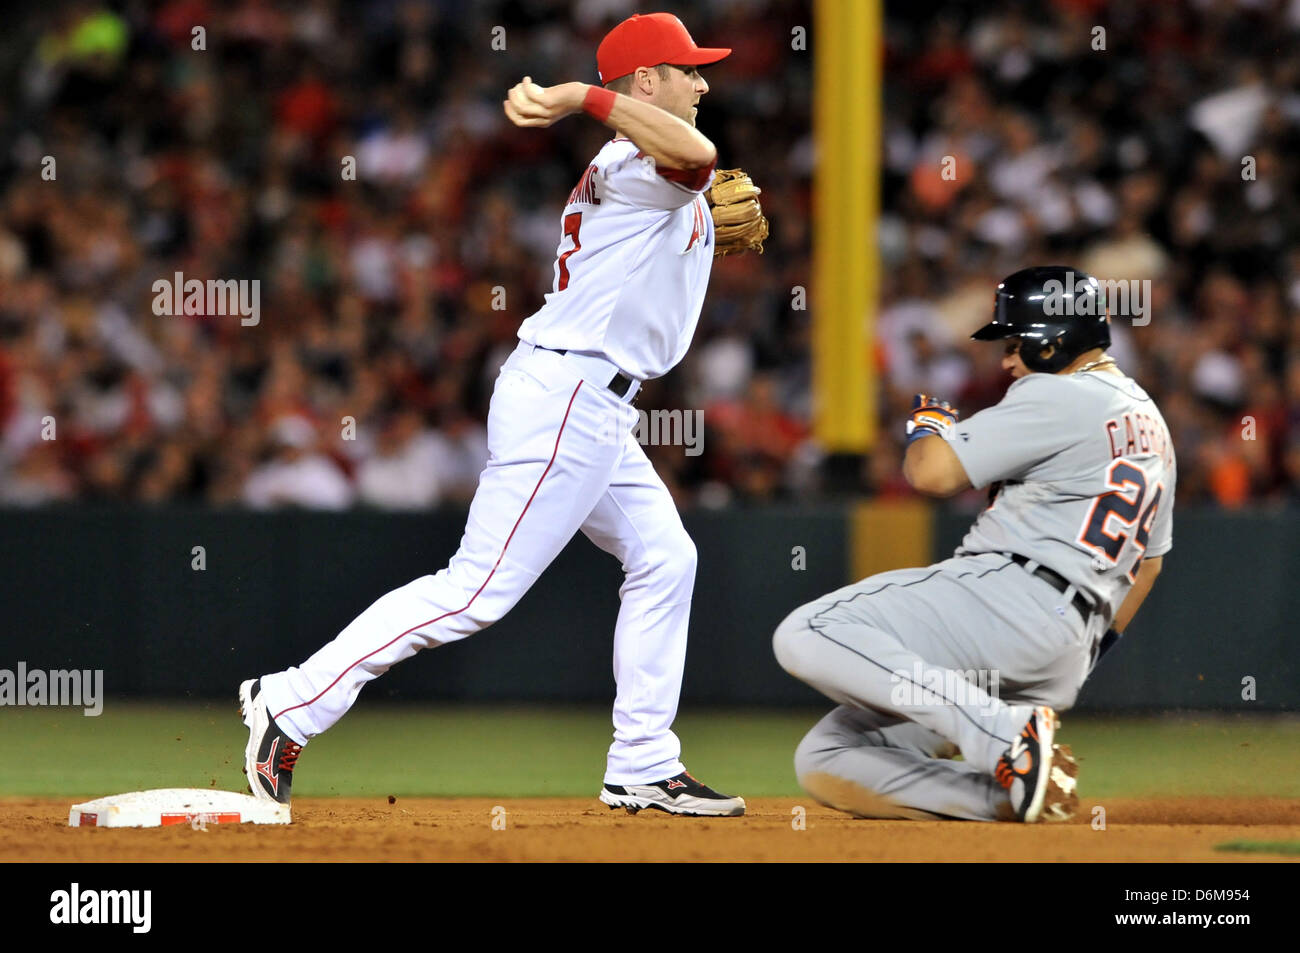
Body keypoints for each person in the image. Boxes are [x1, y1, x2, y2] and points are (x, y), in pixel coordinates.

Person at [239, 13, 748, 817]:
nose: (704, 81)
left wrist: (699, 236)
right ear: (644, 81)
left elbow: (688, 181)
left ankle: (644, 761)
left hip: (595, 405)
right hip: (569, 398)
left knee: (666, 558)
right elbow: (697, 157)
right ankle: (290, 702)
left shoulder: (641, 168)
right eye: (688, 69)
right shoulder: (638, 159)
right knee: (476, 591)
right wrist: (582, 93)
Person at [774, 266, 1176, 822]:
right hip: (1061, 645)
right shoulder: (1150, 422)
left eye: (1014, 343)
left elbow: (931, 475)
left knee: (806, 631)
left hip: (1012, 598)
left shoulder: (1061, 394)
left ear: (1053, 339)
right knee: (826, 757)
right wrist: (1077, 662)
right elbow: (1148, 567)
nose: (1006, 360)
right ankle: (1010, 794)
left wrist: (927, 424)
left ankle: (1004, 733)